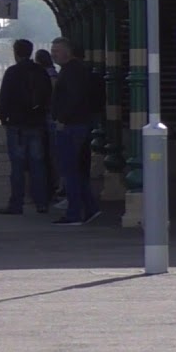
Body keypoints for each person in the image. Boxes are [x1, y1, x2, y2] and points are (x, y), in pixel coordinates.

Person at [0, 39, 52, 215]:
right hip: (36, 124)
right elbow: (48, 96)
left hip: (16, 125)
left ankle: (16, 204)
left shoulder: (12, 72)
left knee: (18, 166)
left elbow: (3, 97)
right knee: (38, 164)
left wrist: (3, 119)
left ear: (16, 53)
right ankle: (41, 203)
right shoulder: (40, 71)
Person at [50, 36, 99, 225]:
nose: (54, 54)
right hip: (78, 124)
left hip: (72, 126)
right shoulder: (75, 70)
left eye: (57, 50)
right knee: (76, 170)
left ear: (68, 52)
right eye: (53, 51)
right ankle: (90, 208)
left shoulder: (72, 72)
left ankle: (74, 214)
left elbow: (74, 98)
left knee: (69, 170)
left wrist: (62, 119)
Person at [34, 48, 61, 202]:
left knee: (49, 153)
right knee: (52, 153)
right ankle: (54, 185)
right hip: (53, 116)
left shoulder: (45, 76)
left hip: (48, 117)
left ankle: (52, 186)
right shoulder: (55, 74)